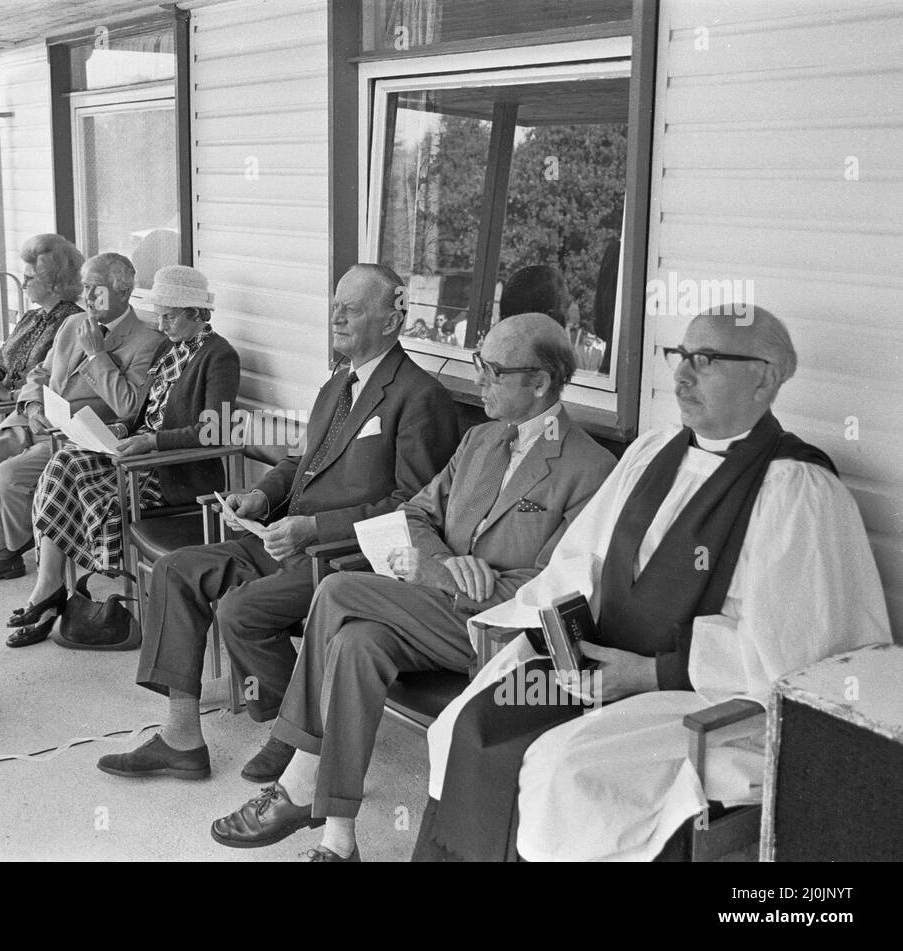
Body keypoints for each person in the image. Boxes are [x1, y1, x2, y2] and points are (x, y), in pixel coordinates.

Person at [415, 305, 891, 862]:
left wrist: (645, 673)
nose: (682, 375)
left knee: (562, 772)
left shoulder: (796, 491)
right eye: (681, 356)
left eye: (706, 360)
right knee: (466, 725)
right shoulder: (650, 454)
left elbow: (796, 658)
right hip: (597, 667)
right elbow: (579, 564)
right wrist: (559, 639)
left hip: (704, 702)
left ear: (764, 376)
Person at [207, 313, 615, 860]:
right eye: (478, 364)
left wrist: (444, 577)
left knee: (338, 589)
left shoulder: (591, 469)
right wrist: (444, 562)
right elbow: (415, 513)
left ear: (539, 382)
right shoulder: (480, 439)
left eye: (492, 371)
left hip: (506, 635)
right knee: (356, 643)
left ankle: (300, 776)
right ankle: (338, 839)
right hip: (436, 610)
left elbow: (551, 586)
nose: (478, 381)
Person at [96, 263, 461, 784]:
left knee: (243, 612)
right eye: (334, 304)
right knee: (179, 571)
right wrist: (260, 497)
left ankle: (297, 735)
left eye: (351, 309)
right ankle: (181, 737)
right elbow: (299, 461)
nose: (335, 316)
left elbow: (413, 510)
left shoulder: (420, 396)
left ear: (390, 321)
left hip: (345, 557)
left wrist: (315, 530)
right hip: (284, 536)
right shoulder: (339, 381)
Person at [6, 265, 241, 649]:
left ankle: (79, 596)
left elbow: (215, 432)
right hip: (142, 459)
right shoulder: (171, 350)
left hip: (175, 473)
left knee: (96, 497)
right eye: (160, 315)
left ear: (197, 314)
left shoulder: (219, 356)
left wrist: (152, 443)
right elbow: (149, 410)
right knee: (66, 461)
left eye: (170, 316)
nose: (161, 324)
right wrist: (120, 430)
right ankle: (48, 587)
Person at [0, 253, 165, 588]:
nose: (88, 296)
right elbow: (40, 373)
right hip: (36, 420)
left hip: (76, 437)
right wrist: (34, 406)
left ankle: (16, 551)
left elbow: (129, 408)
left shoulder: (147, 342)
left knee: (8, 478)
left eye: (97, 289)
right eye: (85, 287)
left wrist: (97, 355)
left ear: (123, 292)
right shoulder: (71, 325)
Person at [0, 234, 85, 547]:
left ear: (54, 282)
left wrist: (7, 391)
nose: (22, 284)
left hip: (12, 409)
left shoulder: (71, 322)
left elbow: (54, 379)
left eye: (29, 278)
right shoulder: (31, 317)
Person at [499, 264, 569, 327]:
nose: (568, 317)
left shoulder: (495, 338)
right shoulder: (555, 338)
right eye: (565, 310)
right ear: (549, 318)